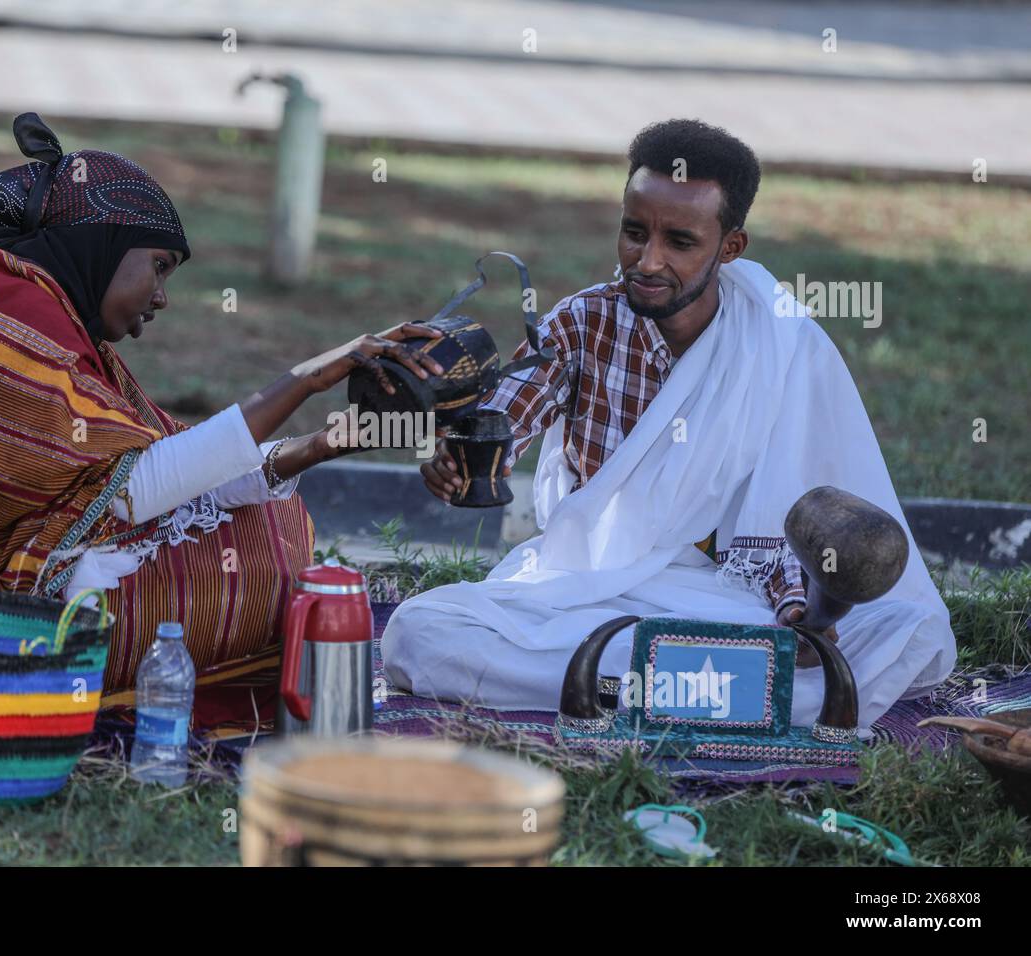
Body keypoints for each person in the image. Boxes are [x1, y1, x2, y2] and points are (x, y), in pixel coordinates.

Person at [0, 114, 442, 738]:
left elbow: (155, 476)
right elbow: (131, 495)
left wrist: (329, 442)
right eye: (157, 266)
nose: (161, 297)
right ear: (101, 245)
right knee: (262, 559)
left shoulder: (53, 327)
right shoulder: (1, 321)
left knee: (271, 530)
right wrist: (307, 379)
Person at [382, 119, 955, 734]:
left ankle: (609, 686)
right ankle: (716, 694)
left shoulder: (783, 343)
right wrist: (457, 452)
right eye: (634, 233)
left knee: (901, 632)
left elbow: (796, 504)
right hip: (589, 586)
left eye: (679, 242)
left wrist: (799, 610)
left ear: (730, 248)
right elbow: (506, 420)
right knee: (420, 633)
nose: (647, 261)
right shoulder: (583, 321)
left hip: (733, 597)